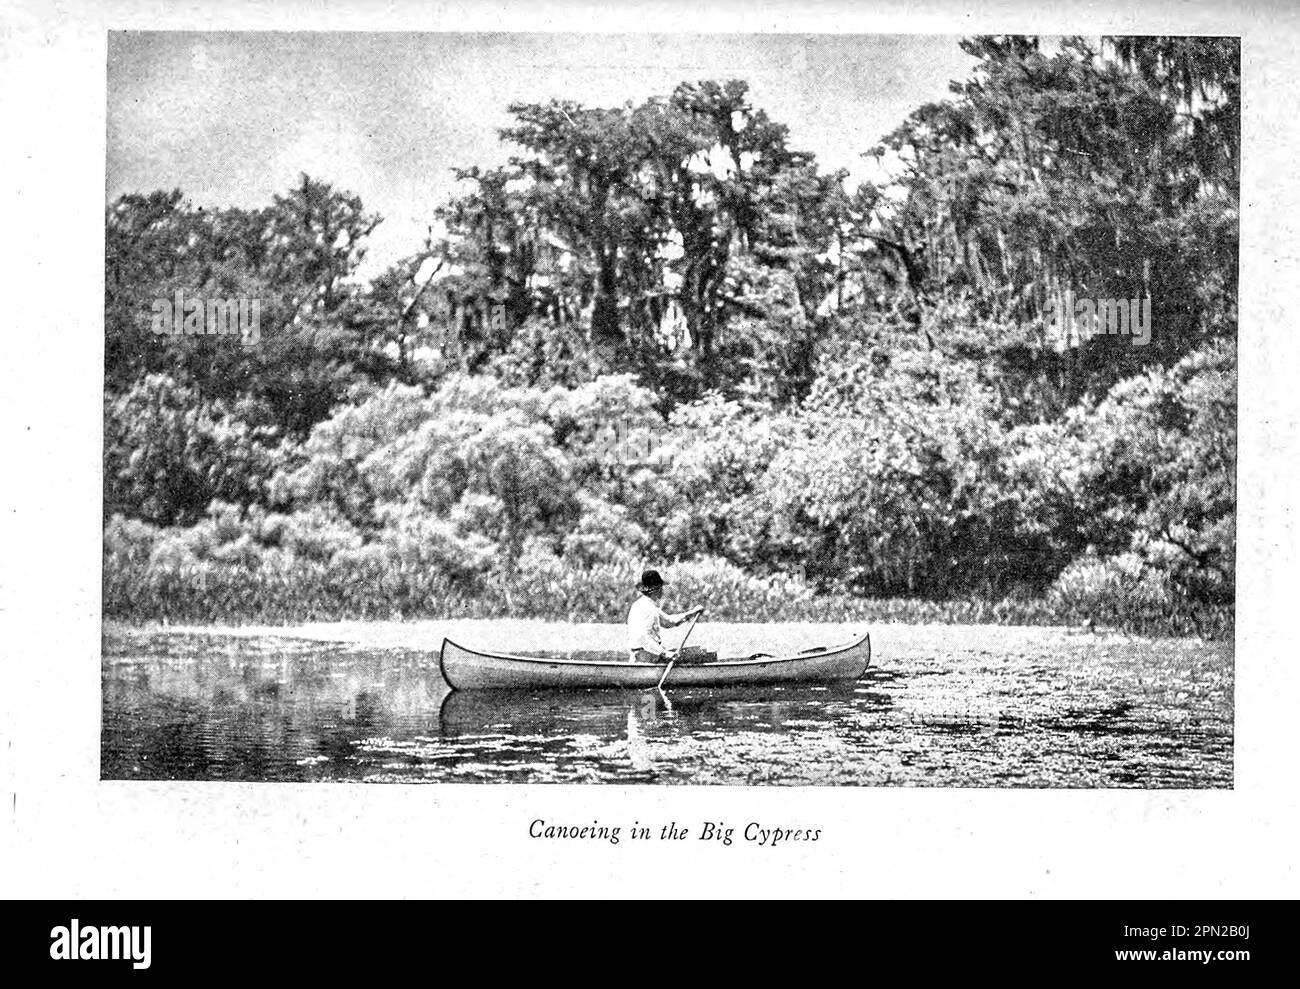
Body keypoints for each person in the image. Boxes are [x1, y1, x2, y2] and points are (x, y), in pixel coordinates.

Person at [627, 570, 703, 663]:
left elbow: (669, 621)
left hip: (646, 653)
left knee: (690, 654)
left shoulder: (646, 604)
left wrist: (692, 613)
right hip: (644, 656)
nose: (662, 590)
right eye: (661, 587)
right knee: (691, 658)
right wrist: (664, 653)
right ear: (657, 588)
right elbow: (642, 636)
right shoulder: (646, 607)